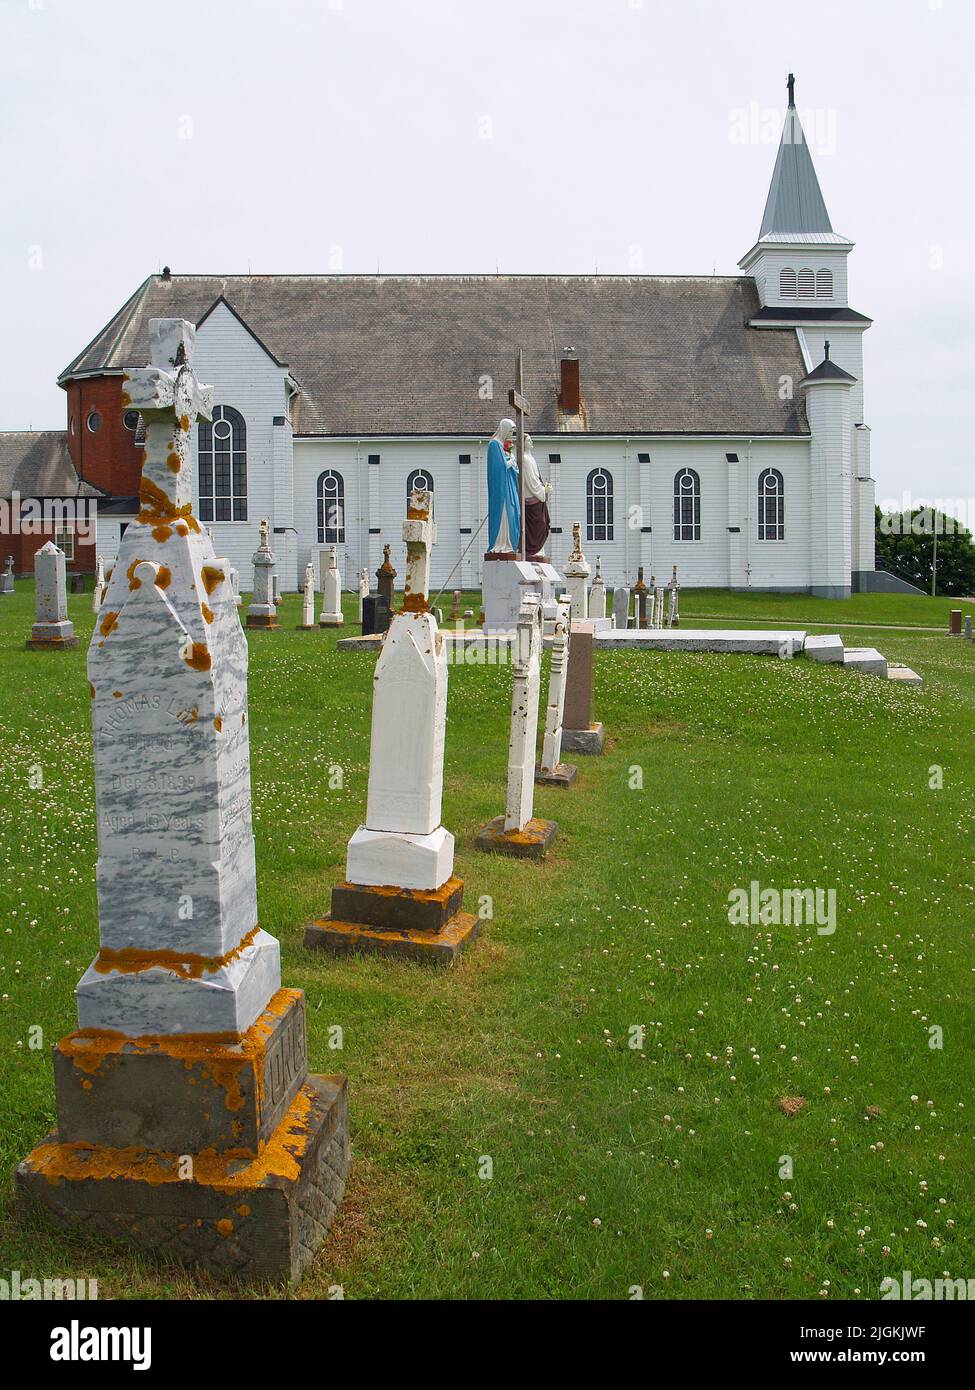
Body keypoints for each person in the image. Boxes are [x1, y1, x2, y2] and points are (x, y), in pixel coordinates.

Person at [486, 418, 520, 554]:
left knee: (513, 511)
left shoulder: (503, 446)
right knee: (504, 513)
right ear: (504, 429)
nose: (511, 434)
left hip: (509, 485)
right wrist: (511, 461)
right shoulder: (494, 445)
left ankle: (510, 543)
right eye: (510, 431)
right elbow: (498, 467)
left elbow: (513, 469)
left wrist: (512, 462)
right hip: (501, 488)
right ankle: (500, 543)